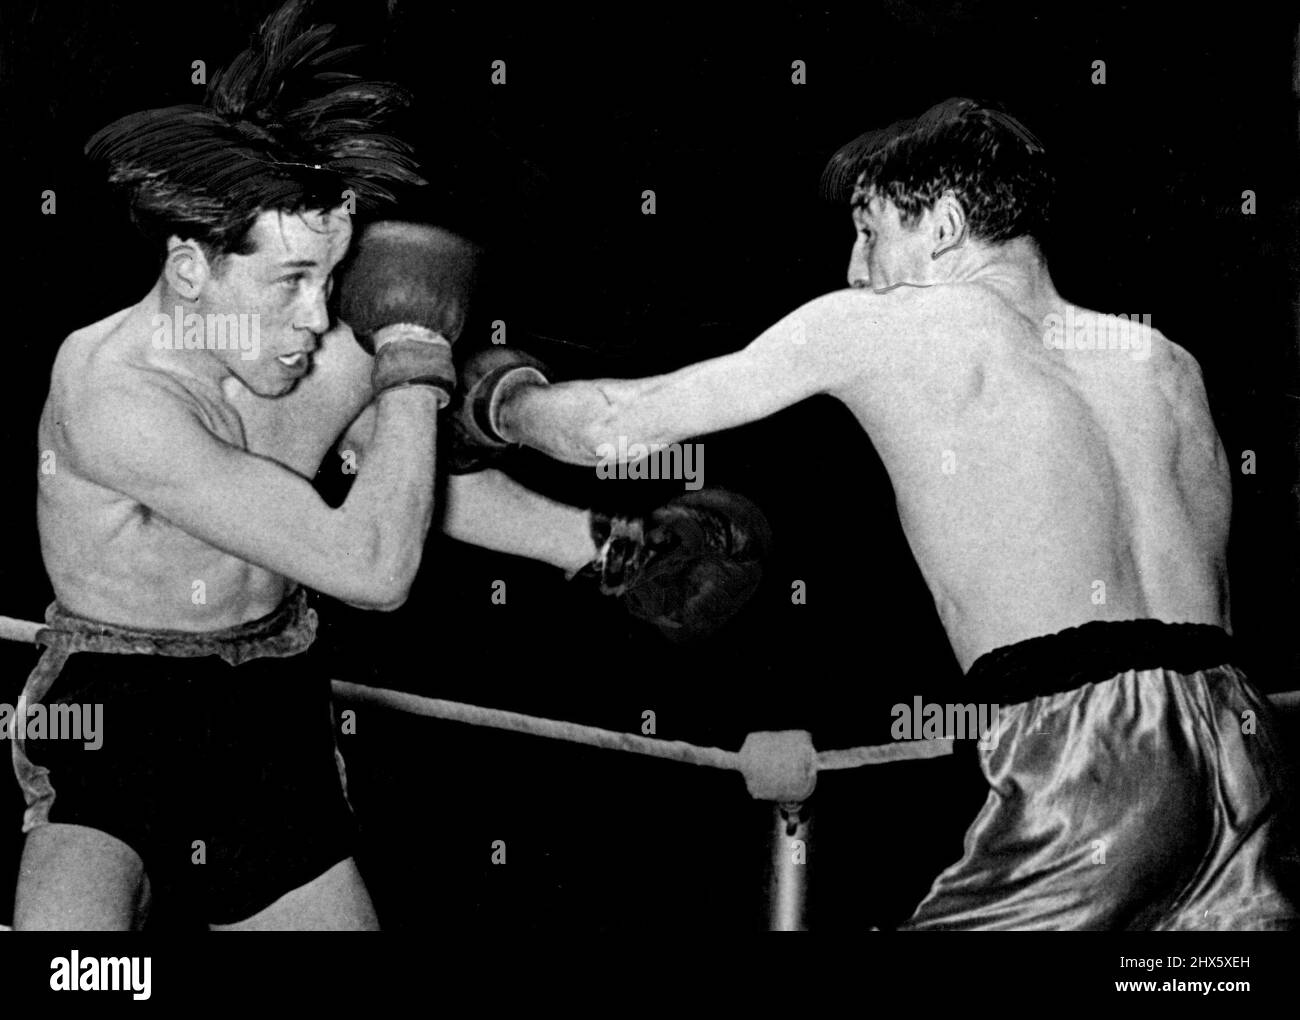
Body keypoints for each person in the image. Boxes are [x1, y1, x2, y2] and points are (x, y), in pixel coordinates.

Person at [14, 1, 770, 932]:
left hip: (268, 702)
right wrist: (416, 358)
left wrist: (599, 542)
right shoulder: (114, 395)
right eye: (290, 279)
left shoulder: (303, 345)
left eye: (330, 279)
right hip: (118, 708)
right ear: (190, 269)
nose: (316, 314)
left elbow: (403, 484)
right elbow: (371, 568)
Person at [461, 97, 1300, 929]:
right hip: (1243, 741)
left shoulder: (886, 326)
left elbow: (614, 426)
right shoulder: (1164, 362)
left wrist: (501, 400)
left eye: (870, 229)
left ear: (940, 224)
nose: (856, 267)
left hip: (1091, 759)